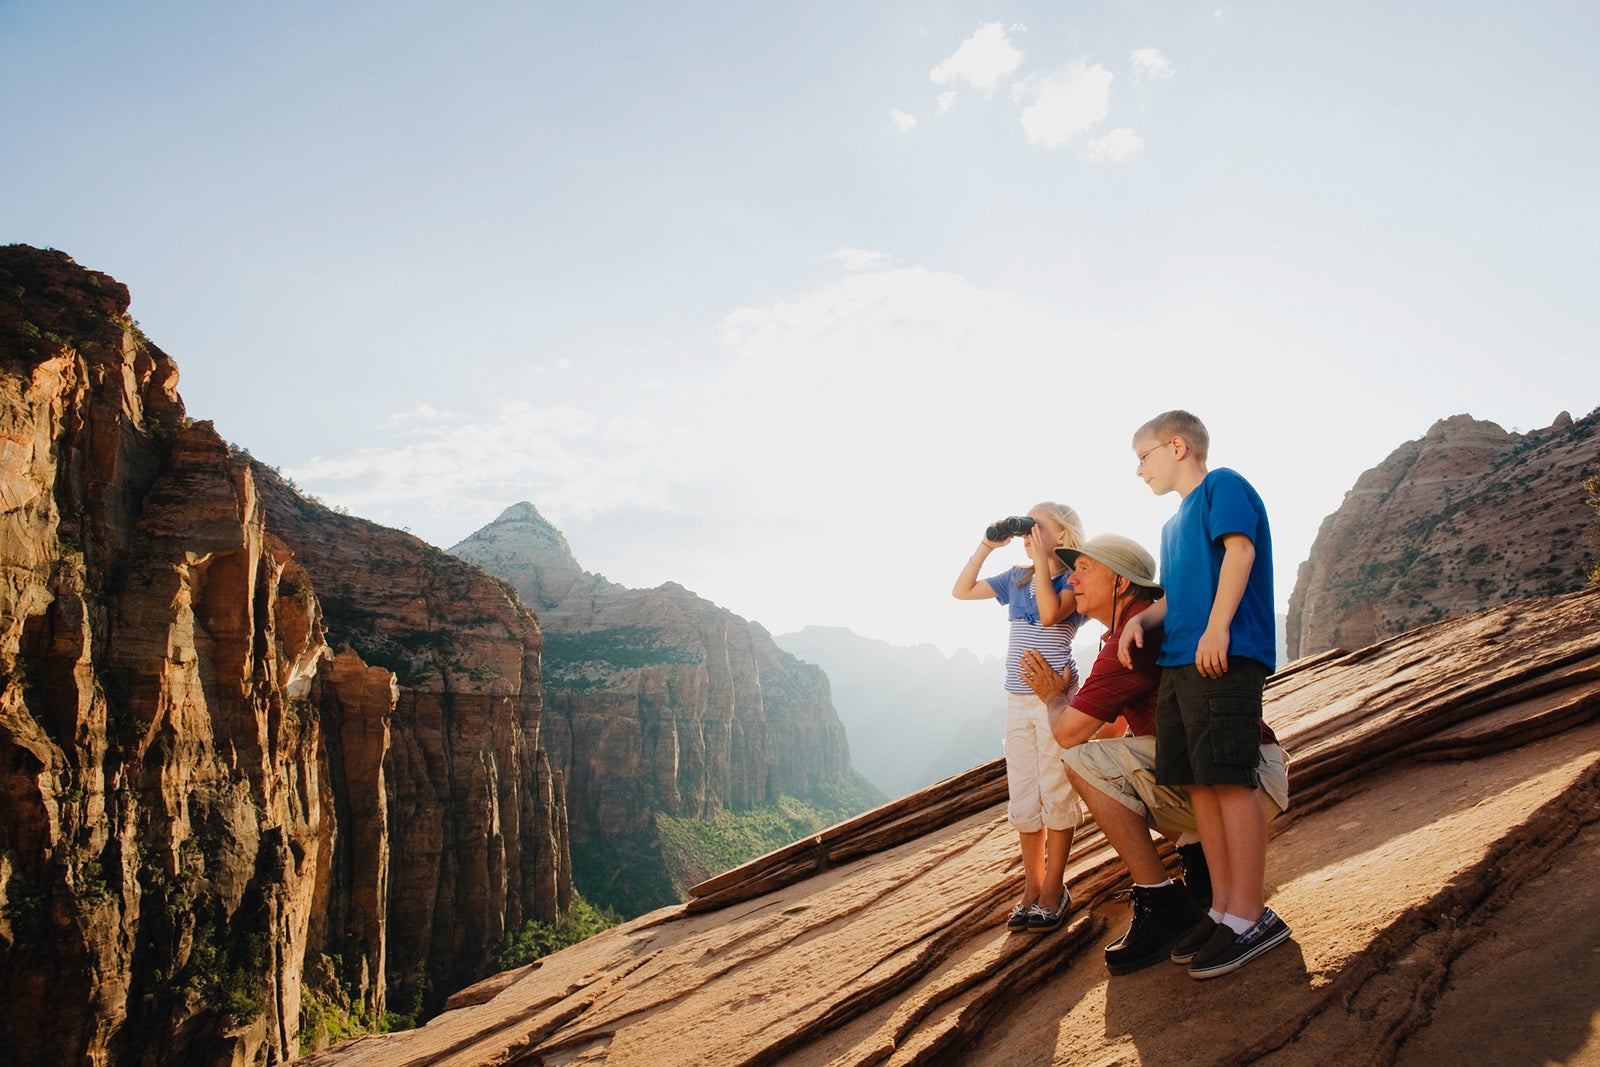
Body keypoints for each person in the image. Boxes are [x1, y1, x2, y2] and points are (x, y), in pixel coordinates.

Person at [1117, 409, 1290, 979]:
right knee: (1199, 786)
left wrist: (1219, 627)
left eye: (1143, 456)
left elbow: (1239, 552)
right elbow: (1177, 595)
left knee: (1228, 779)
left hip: (1222, 656)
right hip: (1179, 665)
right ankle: (1221, 909)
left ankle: (1250, 914)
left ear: (1176, 445)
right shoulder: (1171, 525)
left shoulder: (1223, 485)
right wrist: (1144, 621)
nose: (1138, 469)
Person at [1017, 533, 1232, 973]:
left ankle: (1162, 900)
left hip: (1231, 782)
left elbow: (1070, 736)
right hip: (1224, 773)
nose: (1071, 580)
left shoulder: (1128, 641)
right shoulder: (1127, 630)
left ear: (1120, 583)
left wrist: (1055, 698)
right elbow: (1112, 730)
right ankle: (1202, 864)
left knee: (1078, 761)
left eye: (1084, 570)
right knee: (1103, 765)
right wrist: (1076, 701)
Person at [953, 502, 1088, 932]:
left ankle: (1054, 887)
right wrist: (987, 546)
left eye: (1037, 526)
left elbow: (1050, 614)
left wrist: (1042, 562)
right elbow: (962, 590)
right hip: (1017, 700)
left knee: (1055, 791)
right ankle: (1031, 887)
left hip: (1053, 701)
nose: (1028, 532)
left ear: (1062, 536)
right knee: (1025, 794)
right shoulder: (1016, 579)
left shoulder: (1073, 580)